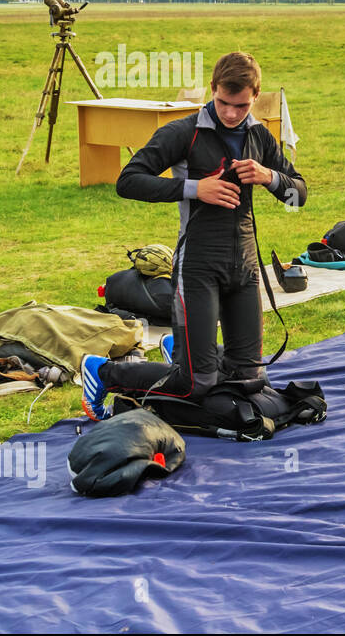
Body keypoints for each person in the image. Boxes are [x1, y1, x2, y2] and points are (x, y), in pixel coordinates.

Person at [80, 52, 308, 420]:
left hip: (246, 266)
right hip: (198, 265)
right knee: (195, 383)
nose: (232, 113)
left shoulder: (260, 136)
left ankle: (183, 349)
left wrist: (270, 177)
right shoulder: (182, 133)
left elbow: (298, 194)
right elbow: (128, 181)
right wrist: (193, 188)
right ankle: (102, 372)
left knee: (249, 380)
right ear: (212, 89)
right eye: (223, 103)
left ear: (255, 96)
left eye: (241, 105)